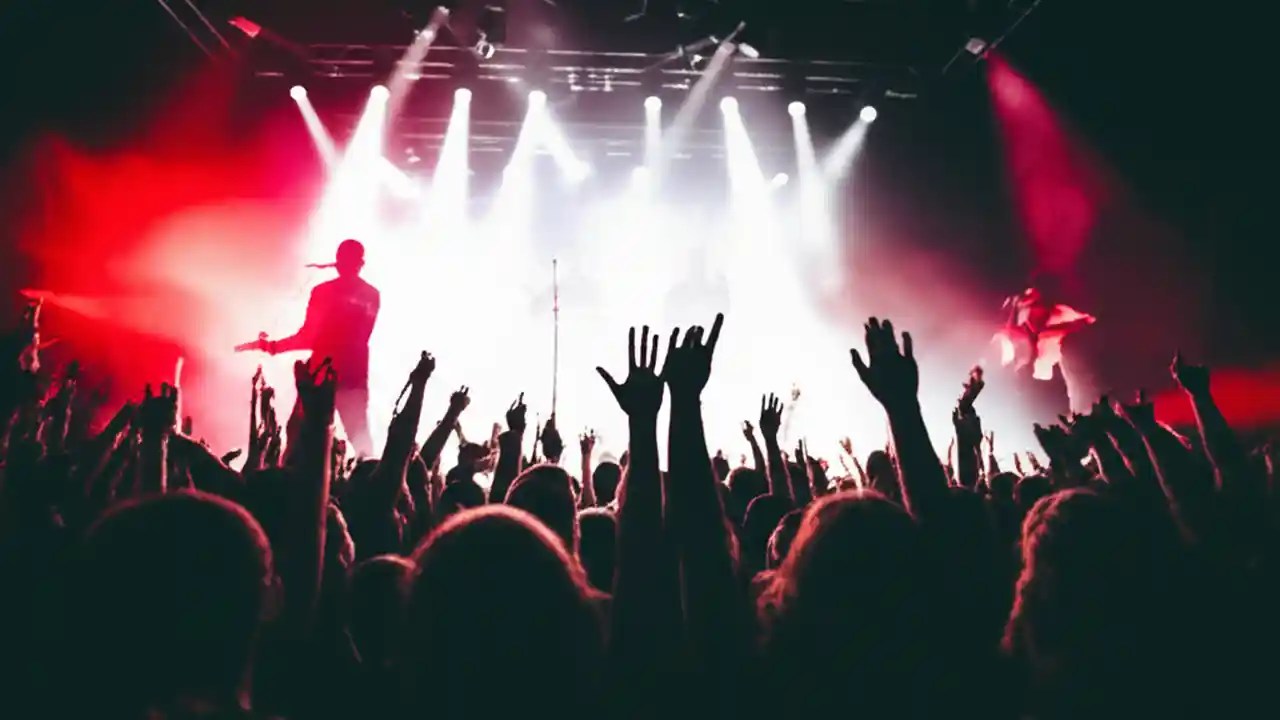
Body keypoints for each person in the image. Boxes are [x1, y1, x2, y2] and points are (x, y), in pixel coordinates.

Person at [240, 239, 380, 455]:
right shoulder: (372, 294)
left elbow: (308, 337)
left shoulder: (323, 292)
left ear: (339, 261)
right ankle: (371, 485)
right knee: (360, 441)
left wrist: (272, 347)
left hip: (321, 376)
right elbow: (359, 337)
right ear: (360, 263)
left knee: (301, 439)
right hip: (353, 376)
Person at [994, 287, 1097, 413]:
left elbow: (1011, 329)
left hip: (1042, 329)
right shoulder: (1040, 368)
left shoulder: (1013, 350)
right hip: (1046, 338)